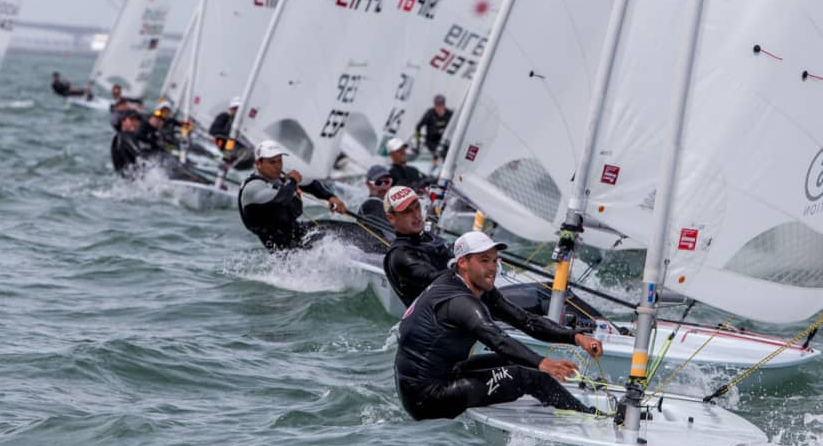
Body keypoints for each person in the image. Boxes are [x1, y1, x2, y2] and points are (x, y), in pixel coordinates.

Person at [393, 231, 602, 421]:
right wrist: (543, 362)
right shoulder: (460, 301)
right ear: (463, 263)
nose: (492, 268)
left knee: (518, 364)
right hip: (428, 398)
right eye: (484, 261)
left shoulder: (473, 286)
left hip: (443, 376)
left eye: (495, 260)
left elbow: (526, 321)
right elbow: (498, 340)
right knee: (529, 375)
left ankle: (567, 410)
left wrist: (575, 337)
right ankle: (586, 418)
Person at [238, 140, 348, 251]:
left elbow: (311, 183)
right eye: (272, 162)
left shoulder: (280, 175)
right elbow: (282, 198)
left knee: (340, 230)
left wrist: (331, 197)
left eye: (279, 161)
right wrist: (292, 180)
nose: (277, 166)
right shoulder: (252, 187)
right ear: (258, 164)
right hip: (283, 246)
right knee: (330, 240)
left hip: (295, 230)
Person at [382, 185, 453, 306]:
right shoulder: (399, 255)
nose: (417, 215)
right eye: (408, 211)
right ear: (391, 218)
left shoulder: (429, 238)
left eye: (417, 207)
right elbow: (433, 278)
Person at [415, 94, 453, 163]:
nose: (439, 107)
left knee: (449, 152)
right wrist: (417, 143)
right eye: (437, 105)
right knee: (441, 152)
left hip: (444, 141)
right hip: (431, 141)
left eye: (441, 104)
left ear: (444, 105)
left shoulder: (449, 114)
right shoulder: (430, 114)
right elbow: (418, 127)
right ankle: (435, 164)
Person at [110, 110, 145, 176]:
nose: (135, 123)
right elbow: (139, 155)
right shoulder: (124, 136)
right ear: (123, 121)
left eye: (137, 120)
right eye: (132, 120)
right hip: (131, 179)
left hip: (125, 179)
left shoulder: (120, 136)